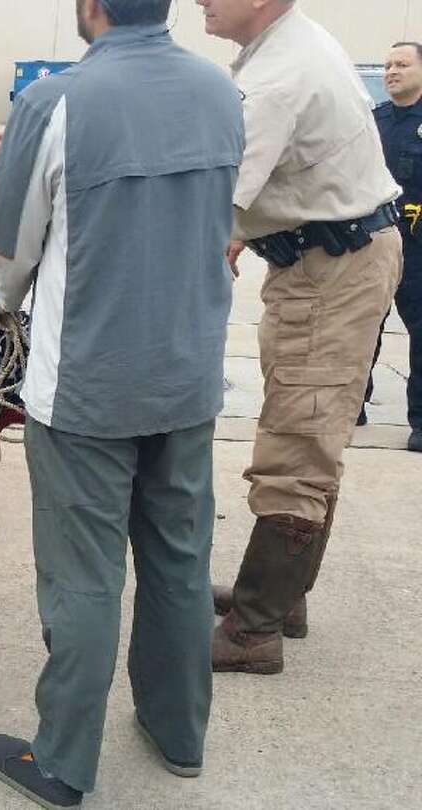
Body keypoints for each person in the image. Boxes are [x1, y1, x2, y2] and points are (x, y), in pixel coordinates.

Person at [0, 1, 243, 806]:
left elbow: (13, 248)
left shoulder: (54, 102)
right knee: (181, 563)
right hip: (187, 377)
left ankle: (61, 763)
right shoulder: (221, 94)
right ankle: (179, 734)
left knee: (83, 578)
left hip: (86, 387)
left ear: (91, 6)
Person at [197, 0, 403, 676]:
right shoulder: (286, 45)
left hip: (332, 264)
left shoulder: (280, 76)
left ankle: (254, 630)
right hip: (324, 255)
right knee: (313, 426)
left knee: (299, 441)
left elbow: (213, 208)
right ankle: (280, 599)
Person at [362, 42, 422, 452]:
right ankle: (352, 405)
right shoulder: (374, 121)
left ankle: (420, 421)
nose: (391, 71)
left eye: (402, 64)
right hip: (374, 241)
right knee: (361, 327)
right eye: (387, 65)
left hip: (418, 249)